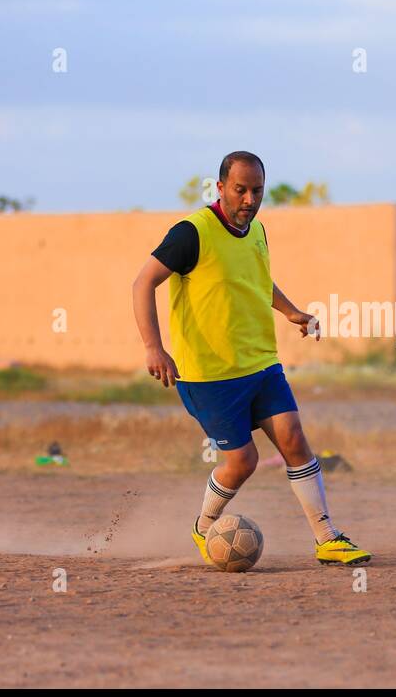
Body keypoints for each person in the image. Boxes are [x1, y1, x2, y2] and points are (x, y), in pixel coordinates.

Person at [131, 151, 371, 567]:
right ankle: (204, 528)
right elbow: (142, 283)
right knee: (243, 462)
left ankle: (327, 538)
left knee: (295, 439)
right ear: (220, 187)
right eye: (240, 189)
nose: (249, 199)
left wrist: (291, 311)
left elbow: (256, 279)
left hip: (260, 363)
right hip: (210, 376)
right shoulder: (192, 233)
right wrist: (154, 347)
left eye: (257, 190)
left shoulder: (257, 230)